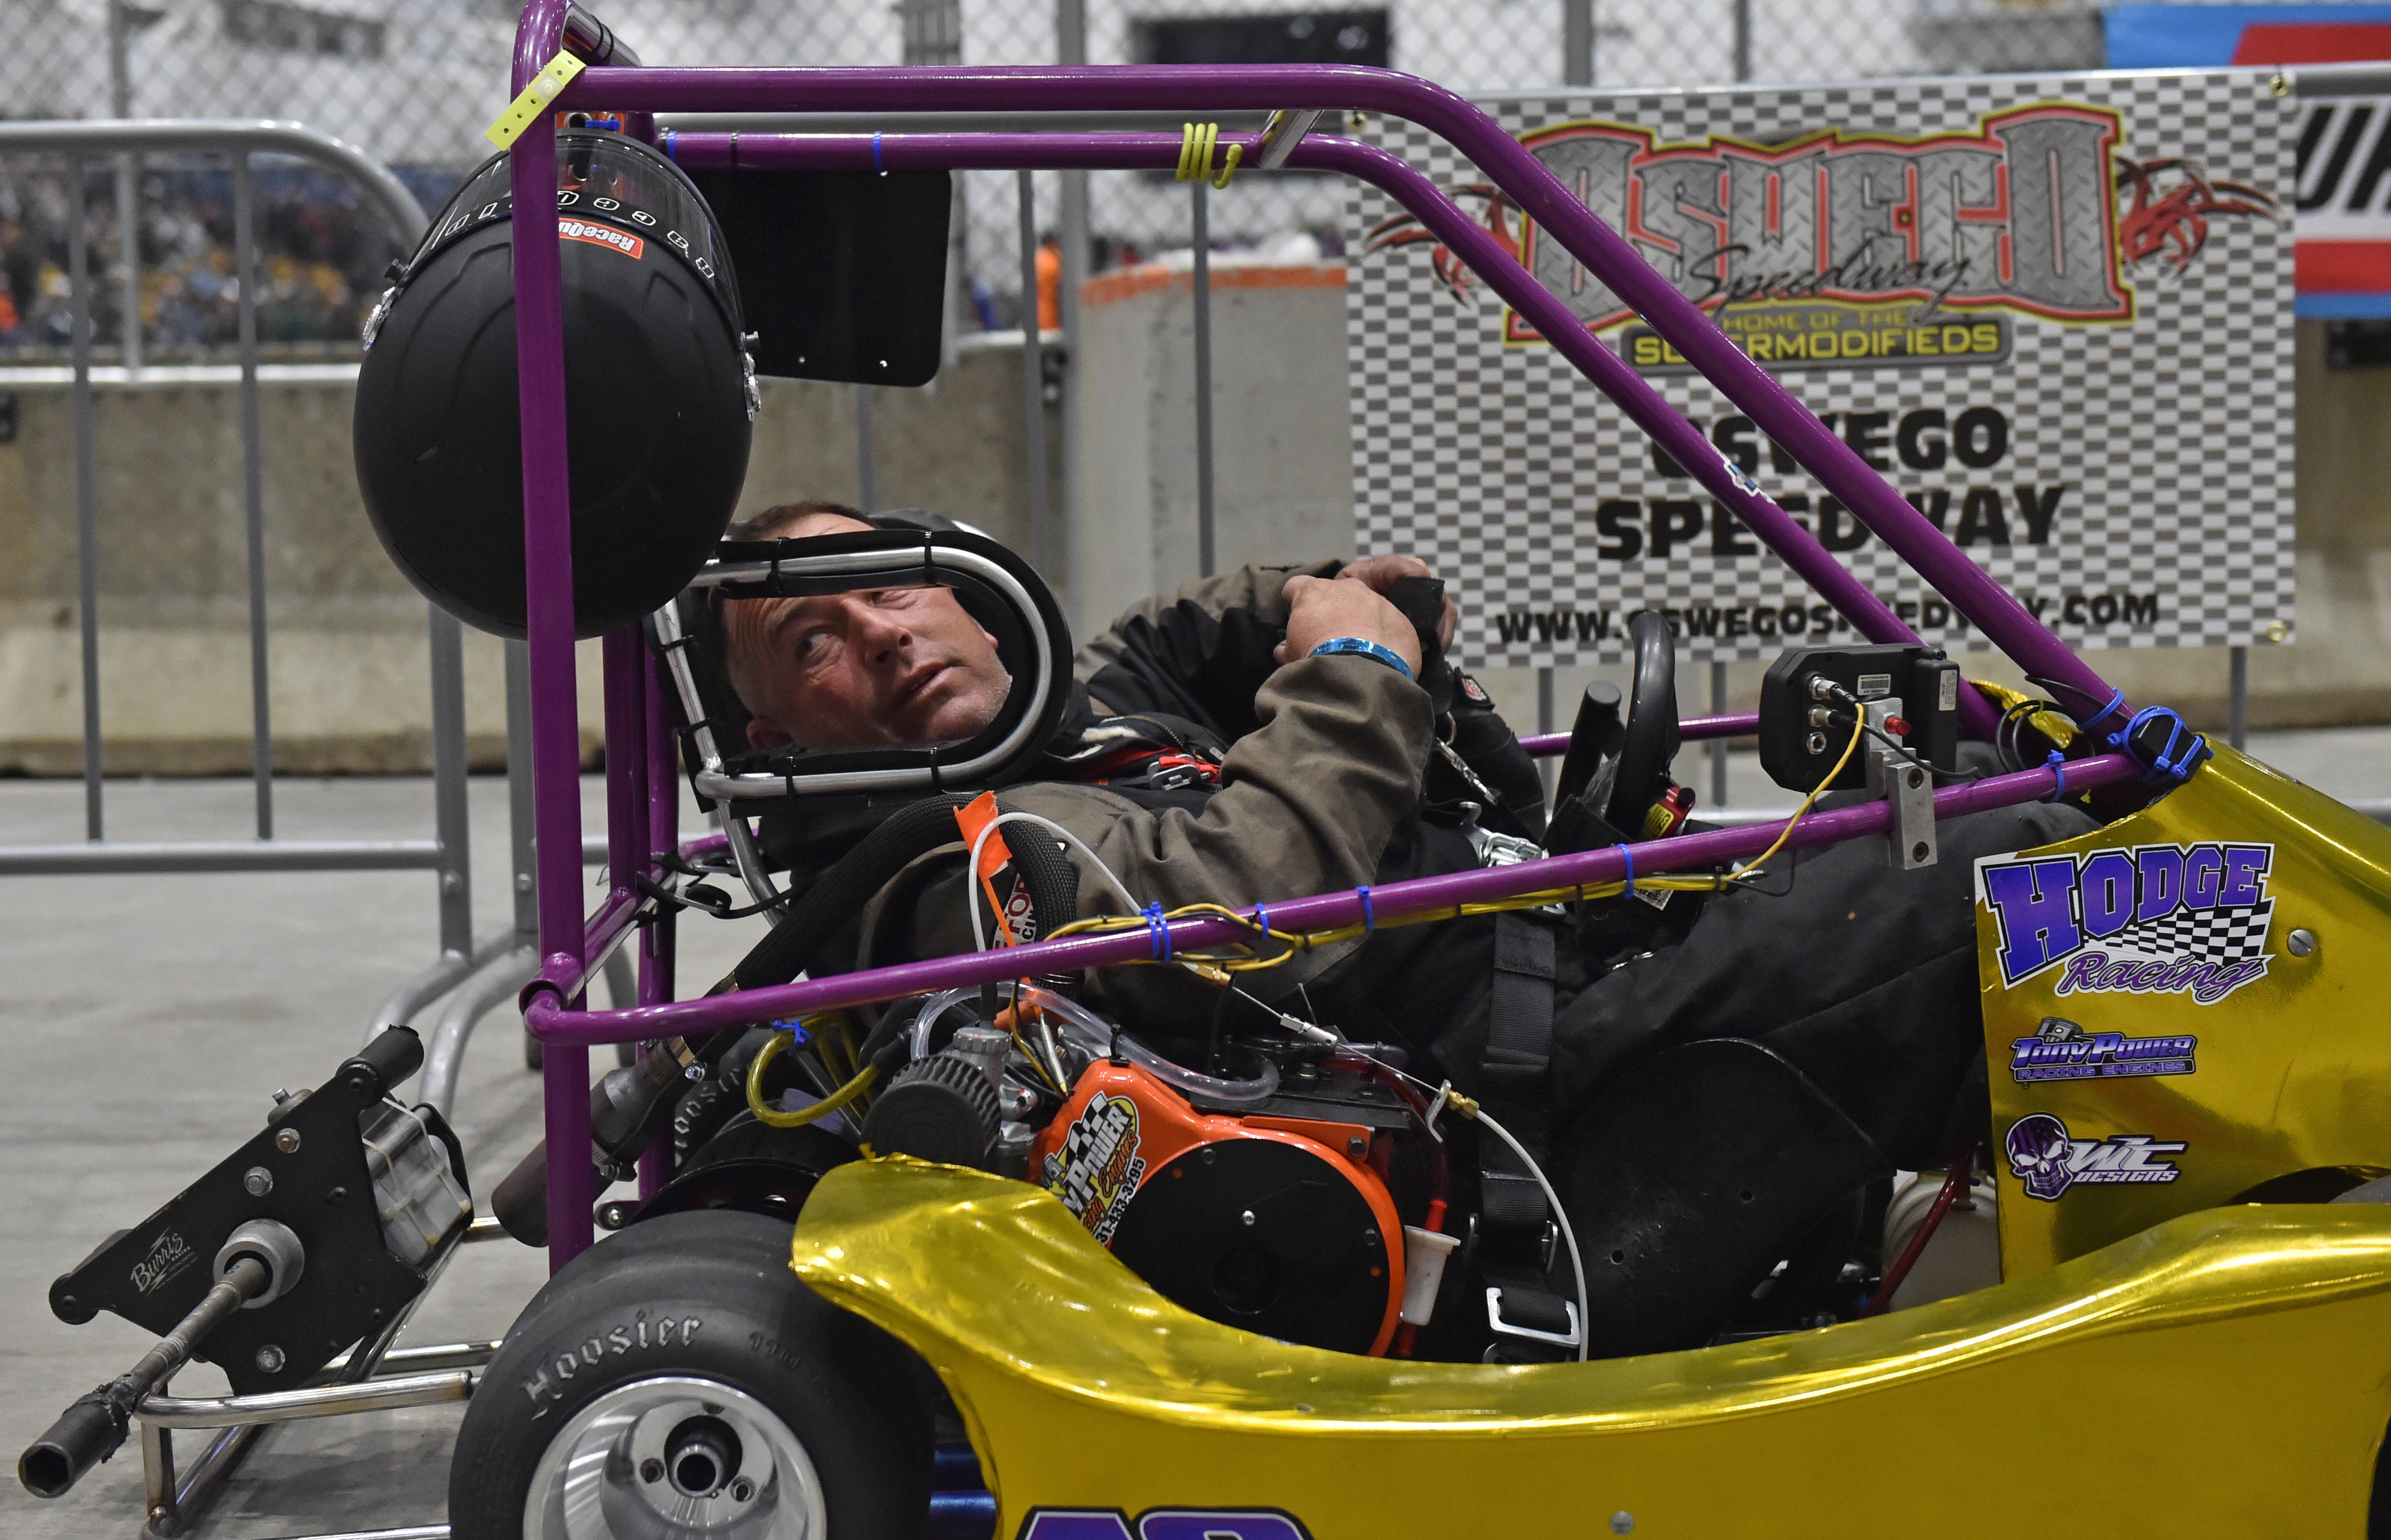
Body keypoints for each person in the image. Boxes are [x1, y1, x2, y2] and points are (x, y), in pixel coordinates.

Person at [710, 500, 2094, 1192]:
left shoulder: (1084, 713)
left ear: (968, 596)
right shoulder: (937, 873)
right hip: (1511, 1110)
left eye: (890, 586)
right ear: (785, 741)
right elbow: (1232, 916)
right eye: (813, 640)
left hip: (1572, 972)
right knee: (2025, 882)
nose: (884, 631)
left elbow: (1215, 621)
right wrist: (1359, 677)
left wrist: (1341, 604)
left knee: (1969, 769)